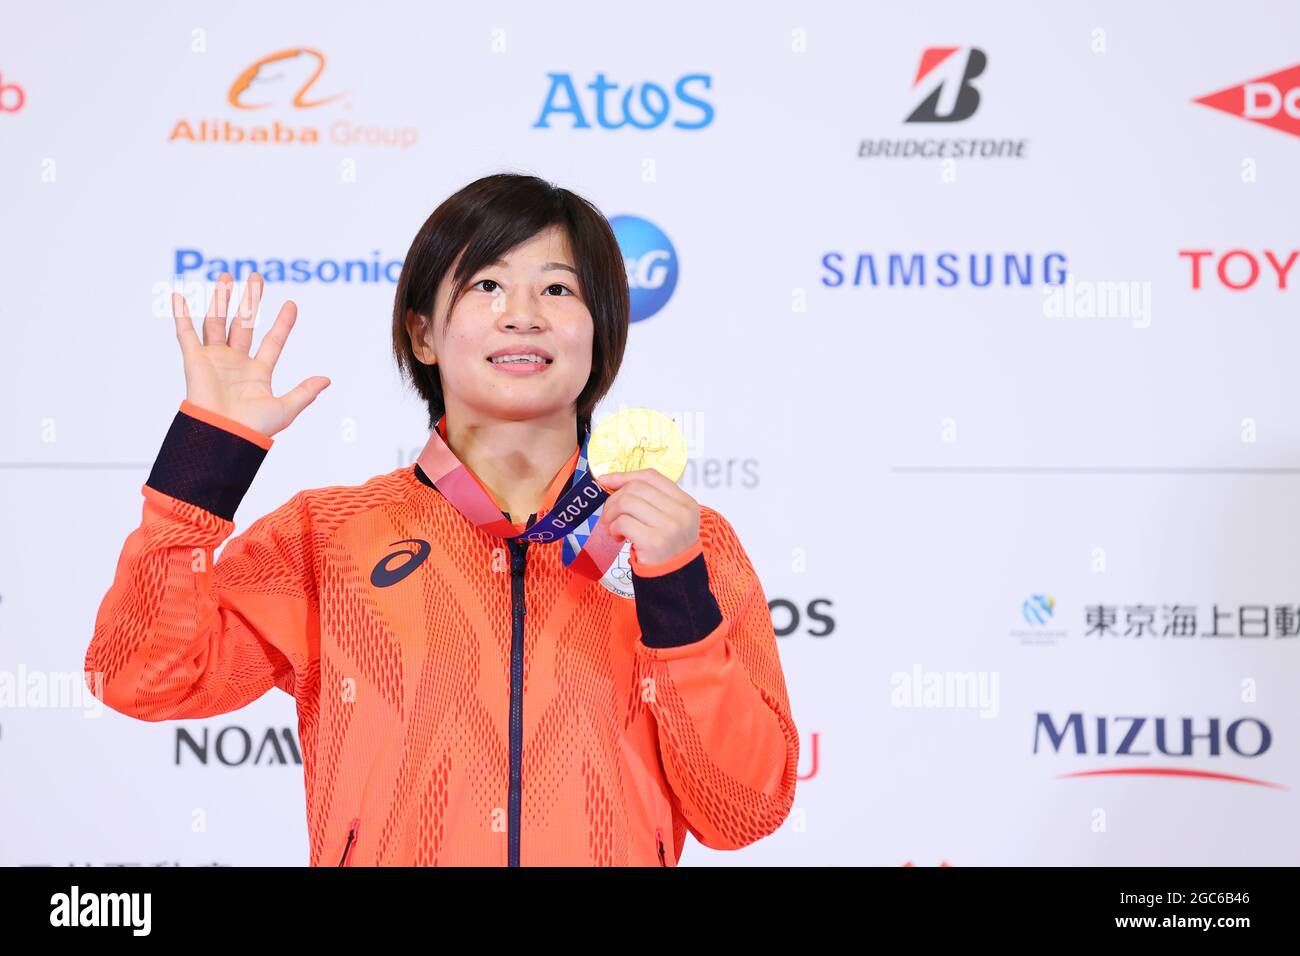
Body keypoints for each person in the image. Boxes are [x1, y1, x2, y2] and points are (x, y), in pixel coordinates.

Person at [84, 172, 799, 866]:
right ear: (424, 334)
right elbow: (140, 676)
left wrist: (675, 594)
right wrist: (205, 459)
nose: (522, 312)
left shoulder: (681, 541)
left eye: (557, 288)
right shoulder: (327, 536)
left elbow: (741, 810)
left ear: (602, 333)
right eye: (486, 285)